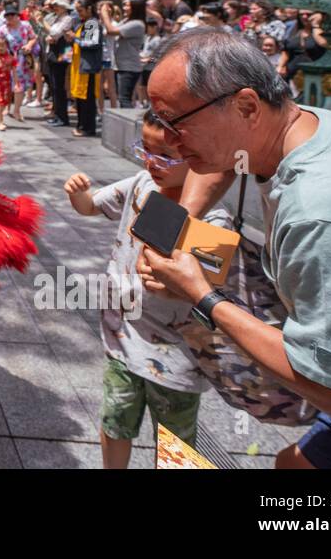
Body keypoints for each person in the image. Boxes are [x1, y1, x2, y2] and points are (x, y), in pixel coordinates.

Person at [140, 29, 331, 468]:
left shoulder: (322, 216)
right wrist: (174, 229)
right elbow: (222, 162)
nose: (168, 139)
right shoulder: (305, 125)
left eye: (177, 124)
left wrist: (203, 296)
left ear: (246, 105)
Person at [64, 113, 220, 467]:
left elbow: (208, 289)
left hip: (178, 356)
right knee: (115, 423)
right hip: (122, 339)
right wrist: (78, 194)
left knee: (176, 445)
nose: (152, 162)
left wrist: (175, 287)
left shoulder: (213, 217)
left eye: (165, 155)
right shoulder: (140, 184)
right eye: (145, 150)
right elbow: (91, 206)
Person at [100, 0, 146, 108]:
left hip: (129, 67)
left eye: (127, 5)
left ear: (135, 8)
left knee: (124, 99)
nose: (124, 8)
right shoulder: (127, 21)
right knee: (123, 98)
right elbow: (108, 30)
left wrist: (105, 14)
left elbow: (111, 31)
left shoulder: (137, 24)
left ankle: (128, 125)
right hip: (121, 66)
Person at [69, 0, 103, 137]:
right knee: (80, 98)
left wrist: (74, 38)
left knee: (87, 99)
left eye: (81, 11)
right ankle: (82, 125)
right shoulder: (83, 24)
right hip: (80, 66)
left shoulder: (91, 23)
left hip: (88, 67)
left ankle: (87, 128)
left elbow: (90, 43)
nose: (79, 14)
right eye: (77, 11)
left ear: (89, 8)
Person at [42, 0, 74, 127]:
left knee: (59, 86)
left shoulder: (67, 18)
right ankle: (57, 114)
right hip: (54, 53)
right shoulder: (58, 18)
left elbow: (54, 33)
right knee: (54, 86)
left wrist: (42, 22)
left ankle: (62, 117)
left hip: (62, 54)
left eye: (57, 5)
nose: (54, 7)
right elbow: (52, 35)